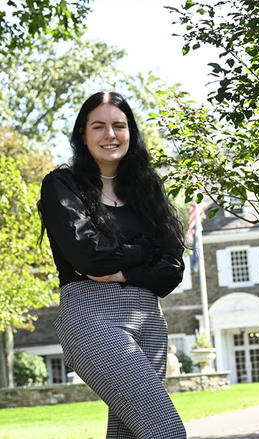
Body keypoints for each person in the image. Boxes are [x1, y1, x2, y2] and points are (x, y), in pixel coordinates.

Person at [38, 91, 188, 439]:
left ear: (130, 133)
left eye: (119, 126)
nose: (110, 135)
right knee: (165, 431)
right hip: (92, 317)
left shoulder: (146, 191)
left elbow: (172, 269)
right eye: (99, 126)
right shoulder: (62, 185)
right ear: (82, 134)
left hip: (148, 320)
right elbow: (90, 257)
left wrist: (122, 269)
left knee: (130, 434)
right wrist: (143, 252)